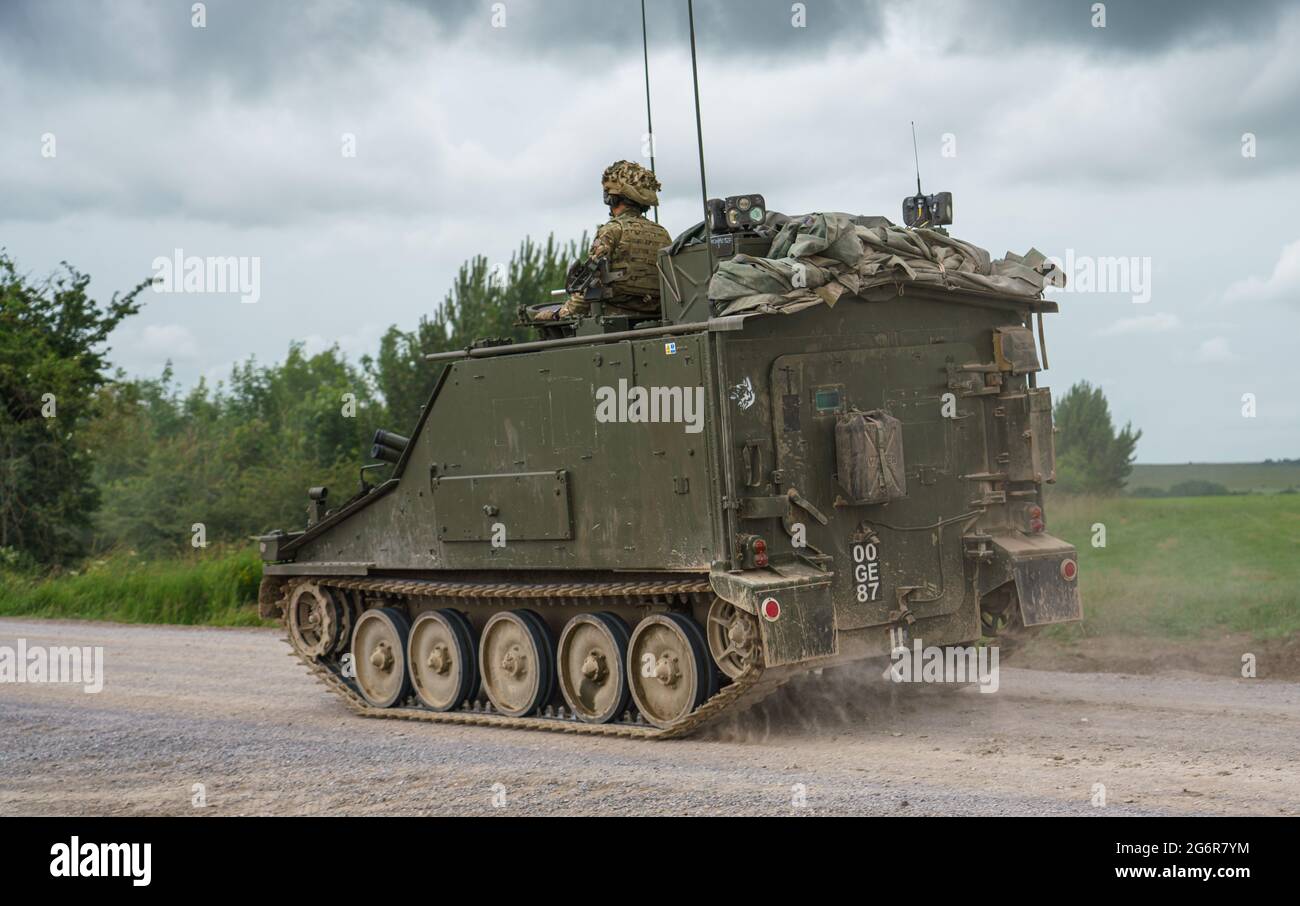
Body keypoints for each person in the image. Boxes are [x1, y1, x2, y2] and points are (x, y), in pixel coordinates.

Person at [537, 160, 671, 320]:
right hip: (658, 318)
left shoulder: (612, 231)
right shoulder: (663, 233)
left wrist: (558, 315)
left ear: (612, 199)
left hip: (615, 320)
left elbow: (589, 285)